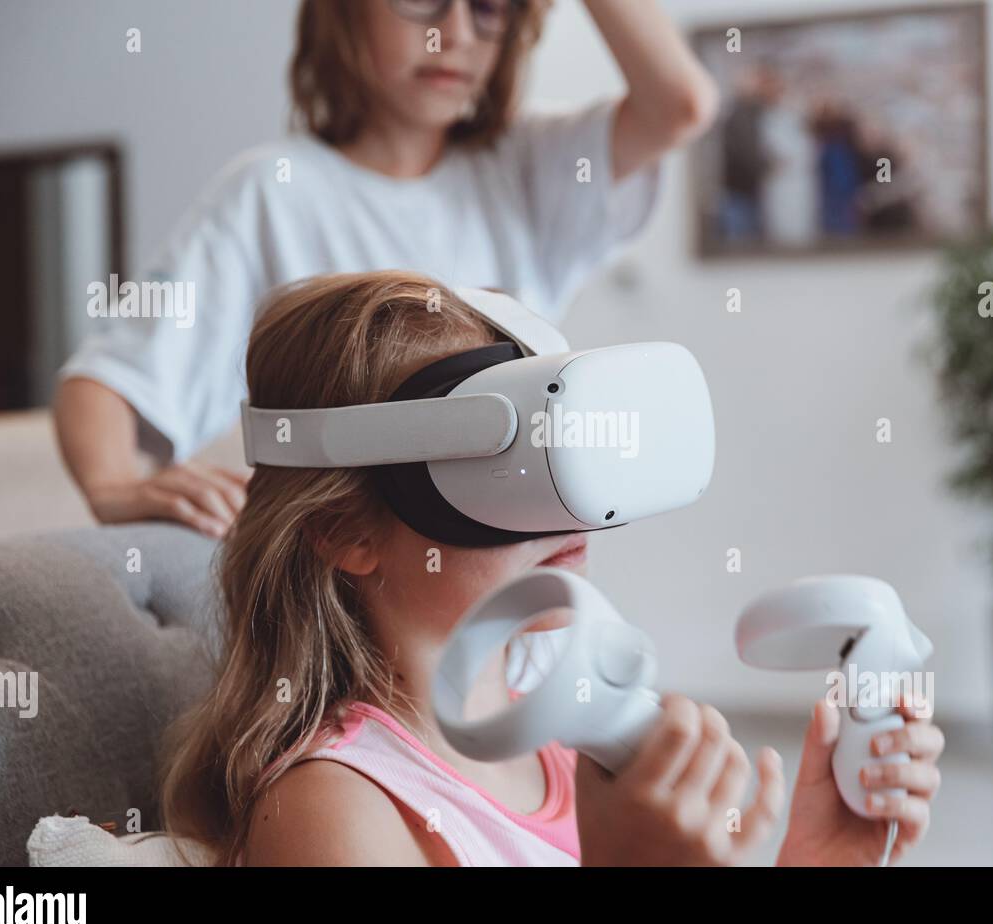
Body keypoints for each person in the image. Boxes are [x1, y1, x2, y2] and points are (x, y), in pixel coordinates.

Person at [158, 271, 944, 866]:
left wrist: (817, 854)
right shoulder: (335, 809)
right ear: (341, 529)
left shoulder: (572, 738)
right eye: (509, 471)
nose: (570, 512)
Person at [54, 0, 721, 539]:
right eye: (423, 3)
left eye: (489, 8)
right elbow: (106, 380)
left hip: (518, 568)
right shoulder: (272, 193)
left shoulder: (528, 170)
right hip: (356, 592)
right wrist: (114, 485)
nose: (453, 34)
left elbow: (682, 104)